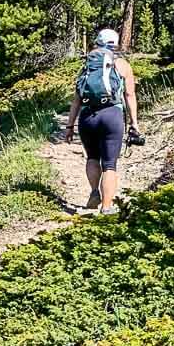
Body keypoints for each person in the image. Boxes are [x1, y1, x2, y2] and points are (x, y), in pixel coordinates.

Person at [64, 27, 141, 215]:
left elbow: (77, 99)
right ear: (115, 44)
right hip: (111, 115)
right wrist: (134, 124)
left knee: (92, 157)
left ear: (98, 42)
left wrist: (70, 126)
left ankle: (93, 192)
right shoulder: (122, 64)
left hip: (87, 117)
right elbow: (130, 95)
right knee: (109, 164)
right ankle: (106, 208)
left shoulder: (88, 64)